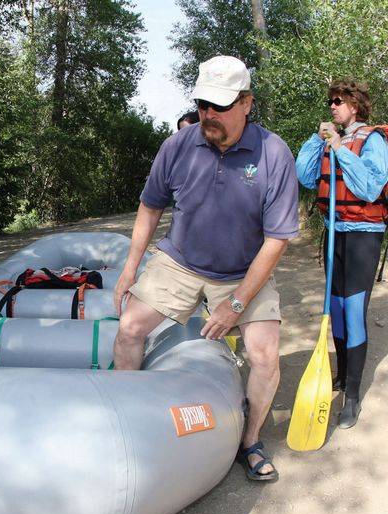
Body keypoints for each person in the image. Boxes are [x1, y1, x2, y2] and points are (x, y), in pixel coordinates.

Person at [112, 56, 299, 482]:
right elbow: (150, 206)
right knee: (128, 328)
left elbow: (277, 240)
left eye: (219, 106)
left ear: (247, 103)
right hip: (180, 261)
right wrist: (130, 267)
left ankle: (248, 440)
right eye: (202, 105)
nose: (208, 115)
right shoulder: (178, 145)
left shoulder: (273, 152)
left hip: (243, 269)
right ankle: (124, 416)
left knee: (266, 354)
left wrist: (236, 302)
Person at [295, 80, 388, 429]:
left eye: (338, 101)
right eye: (330, 102)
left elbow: (368, 187)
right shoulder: (330, 140)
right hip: (334, 233)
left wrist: (340, 149)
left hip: (363, 236)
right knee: (335, 310)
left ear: (355, 105)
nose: (332, 106)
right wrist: (317, 139)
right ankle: (340, 376)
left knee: (353, 312)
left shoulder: (374, 140)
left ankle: (352, 395)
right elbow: (305, 177)